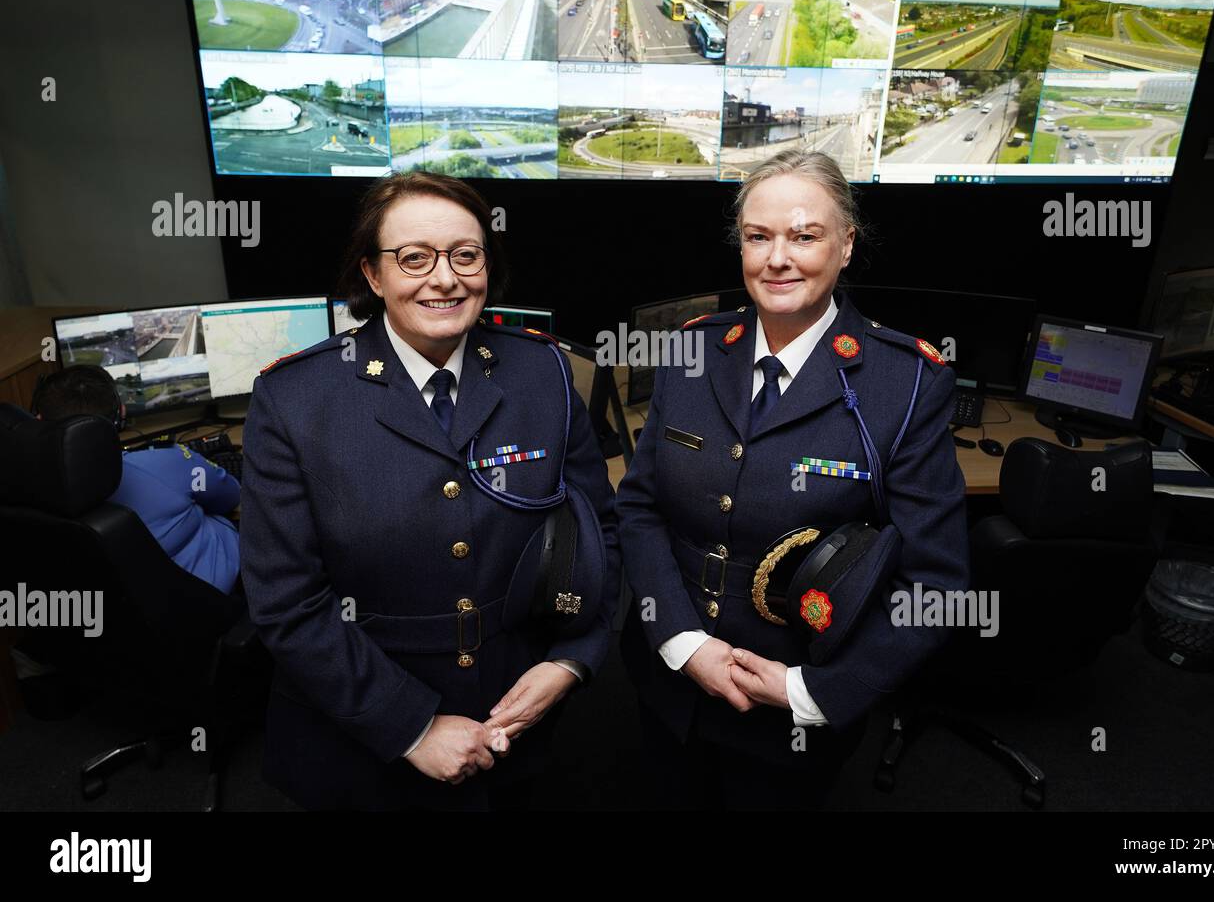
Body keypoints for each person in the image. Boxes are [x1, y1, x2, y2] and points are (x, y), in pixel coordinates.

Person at [238, 170, 620, 810]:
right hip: (364, 738)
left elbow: (598, 535)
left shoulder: (542, 371)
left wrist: (571, 660)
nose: (444, 278)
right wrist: (410, 724)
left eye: (465, 255)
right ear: (372, 275)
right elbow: (286, 602)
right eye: (413, 258)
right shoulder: (296, 399)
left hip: (517, 722)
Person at [617, 148, 970, 809]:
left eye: (805, 235)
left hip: (791, 713)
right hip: (670, 684)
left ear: (845, 245)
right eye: (758, 237)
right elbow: (638, 509)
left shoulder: (907, 381)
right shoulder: (690, 350)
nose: (778, 257)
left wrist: (812, 691)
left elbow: (937, 586)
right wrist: (681, 638)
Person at [31, 365, 240, 595]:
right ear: (121, 414)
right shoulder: (171, 462)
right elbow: (231, 496)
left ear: (38, 422)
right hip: (213, 602)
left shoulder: (22, 488)